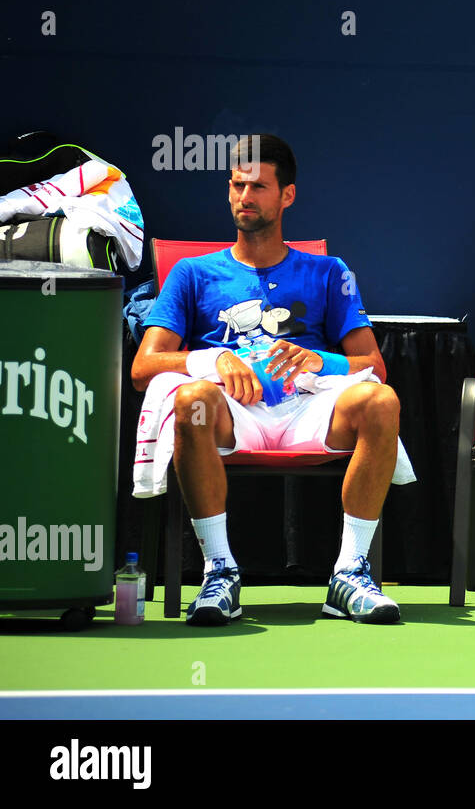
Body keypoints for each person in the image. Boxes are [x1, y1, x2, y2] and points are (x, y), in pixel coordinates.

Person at [132, 134, 412, 625]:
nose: (245, 197)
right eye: (238, 186)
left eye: (259, 187)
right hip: (232, 412)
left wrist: (318, 361)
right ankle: (219, 573)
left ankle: (349, 572)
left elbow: (372, 363)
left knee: (381, 400)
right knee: (193, 398)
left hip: (309, 411)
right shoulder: (191, 273)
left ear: (287, 196)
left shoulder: (330, 271)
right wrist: (211, 360)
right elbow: (143, 368)